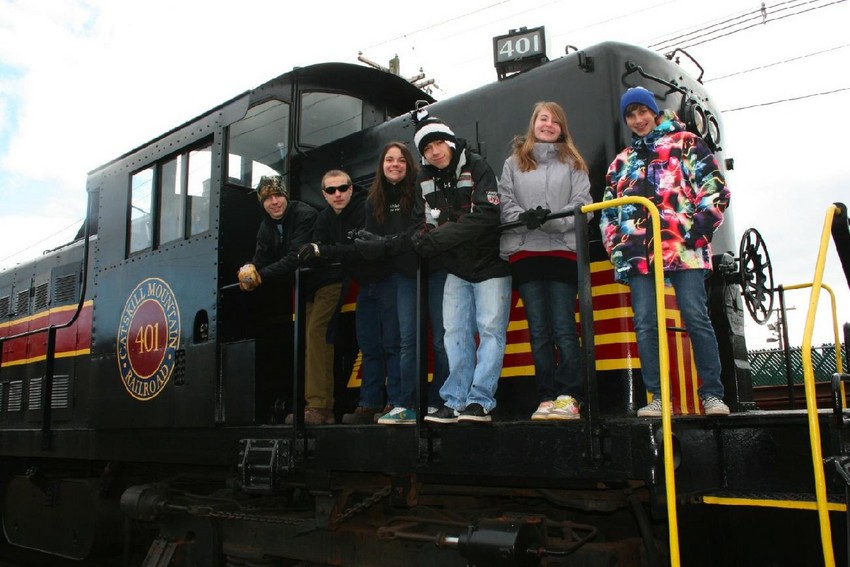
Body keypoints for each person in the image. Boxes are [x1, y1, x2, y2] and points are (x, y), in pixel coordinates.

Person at [600, 86, 731, 417]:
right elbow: (608, 212)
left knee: (696, 317)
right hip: (638, 256)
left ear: (653, 111)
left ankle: (713, 394)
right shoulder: (621, 163)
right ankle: (658, 397)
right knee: (644, 324)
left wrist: (697, 232)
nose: (638, 119)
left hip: (684, 250)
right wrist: (618, 250)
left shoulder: (687, 143)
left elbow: (714, 188)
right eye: (631, 115)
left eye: (643, 111)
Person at [411, 111, 512, 424]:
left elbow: (487, 214)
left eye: (439, 143)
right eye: (427, 149)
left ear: (450, 142)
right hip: (455, 268)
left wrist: (440, 237)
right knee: (453, 333)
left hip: (491, 264)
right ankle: (454, 401)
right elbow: (423, 223)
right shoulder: (423, 179)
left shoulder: (478, 166)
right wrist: (429, 238)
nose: (435, 151)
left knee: (491, 332)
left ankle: (481, 401)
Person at [499, 101, 593, 421]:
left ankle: (570, 395)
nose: (548, 124)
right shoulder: (513, 163)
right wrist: (527, 220)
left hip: (563, 253)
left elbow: (581, 204)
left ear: (562, 127)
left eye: (555, 120)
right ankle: (546, 395)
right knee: (538, 330)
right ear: (533, 123)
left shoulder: (575, 163)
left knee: (565, 327)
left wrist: (547, 221)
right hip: (526, 253)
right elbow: (506, 204)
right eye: (543, 118)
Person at [353, 142, 449, 425]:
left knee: (442, 339)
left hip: (436, 267)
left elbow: (423, 226)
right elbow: (374, 240)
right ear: (382, 166)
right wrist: (372, 246)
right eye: (389, 160)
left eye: (400, 160)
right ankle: (407, 403)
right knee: (408, 340)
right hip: (405, 275)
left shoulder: (421, 187)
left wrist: (389, 243)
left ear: (409, 164)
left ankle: (439, 400)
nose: (395, 164)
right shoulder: (374, 200)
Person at [298, 170, 400, 425]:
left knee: (392, 344)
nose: (338, 194)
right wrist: (325, 251)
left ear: (351, 189)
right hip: (365, 286)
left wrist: (325, 251)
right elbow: (318, 249)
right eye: (331, 190)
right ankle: (369, 404)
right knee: (369, 346)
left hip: (388, 280)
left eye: (342, 188)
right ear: (324, 194)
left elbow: (359, 250)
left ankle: (396, 403)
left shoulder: (366, 208)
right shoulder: (324, 218)